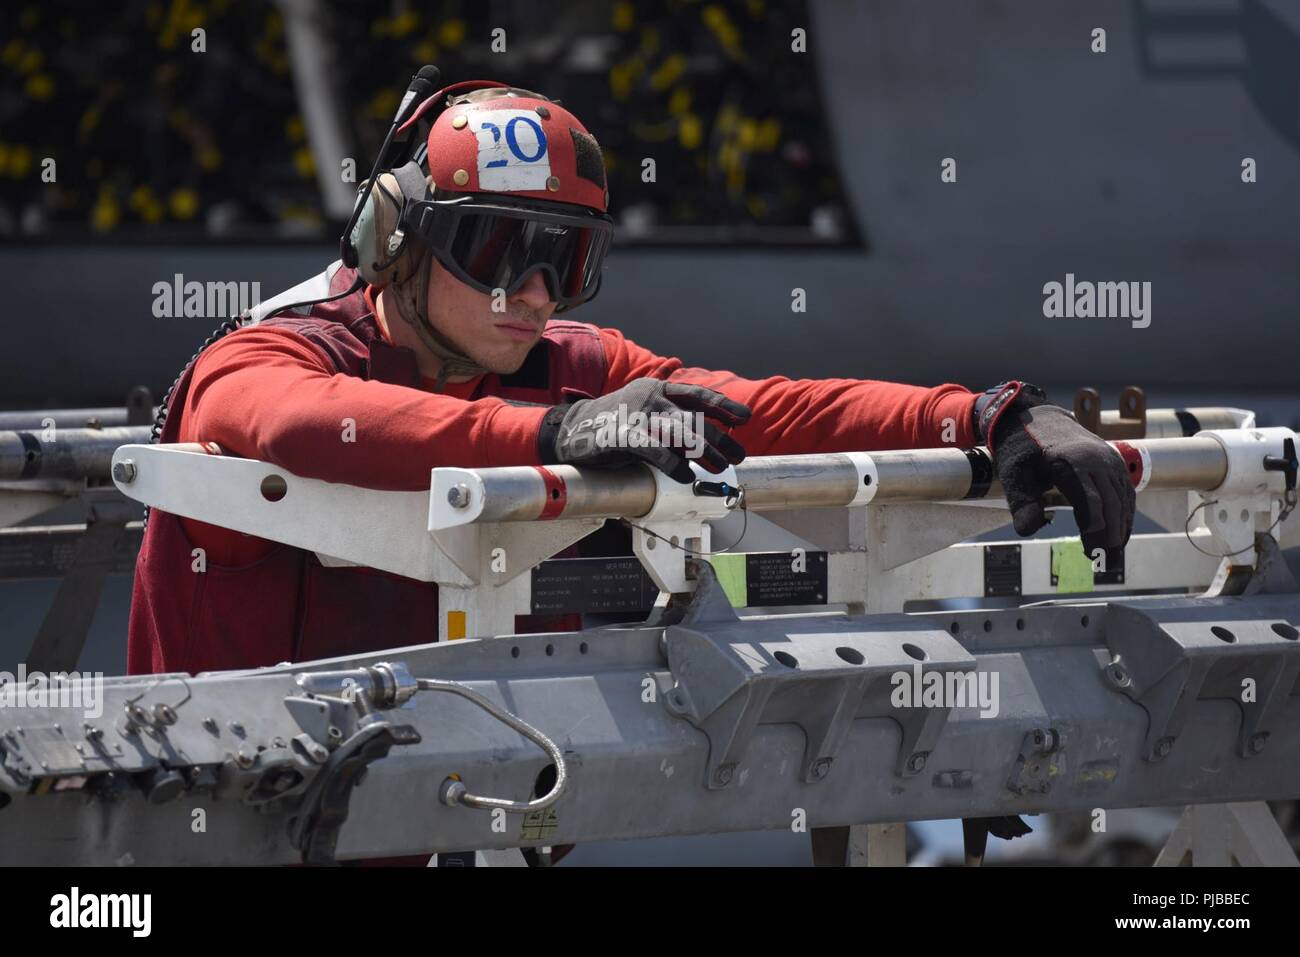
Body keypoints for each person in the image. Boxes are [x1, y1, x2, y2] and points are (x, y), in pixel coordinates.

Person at [128, 81, 1135, 678]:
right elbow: (302, 425)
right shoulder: (264, 358)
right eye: (492, 248)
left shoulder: (568, 366)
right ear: (395, 238)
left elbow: (766, 413)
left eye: (559, 264)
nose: (531, 296)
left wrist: (988, 412)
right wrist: (555, 434)